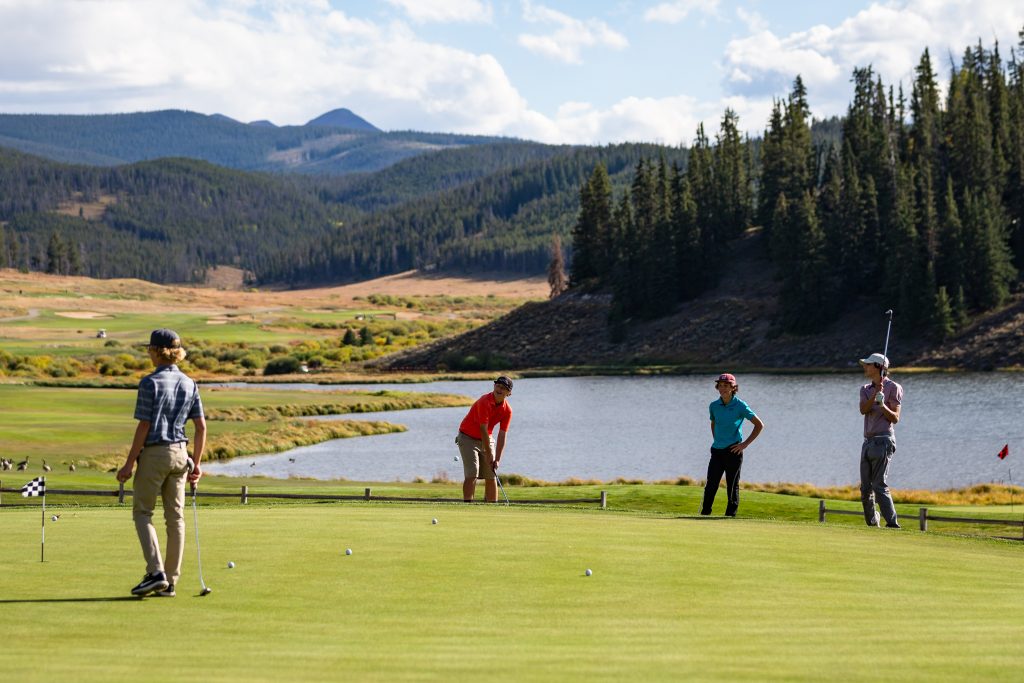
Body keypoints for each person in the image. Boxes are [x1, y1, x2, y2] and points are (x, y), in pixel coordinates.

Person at [117, 329, 206, 597]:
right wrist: (197, 464)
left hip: (156, 453)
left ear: (157, 351)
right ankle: (171, 581)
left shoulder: (149, 382)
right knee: (175, 518)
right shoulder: (190, 383)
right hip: (182, 456)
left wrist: (129, 463)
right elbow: (201, 427)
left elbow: (144, 426)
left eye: (150, 349)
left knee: (142, 513)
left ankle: (156, 573)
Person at [701, 373, 764, 517]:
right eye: (721, 386)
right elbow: (713, 423)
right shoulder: (714, 406)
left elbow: (759, 425)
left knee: (732, 485)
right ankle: (705, 513)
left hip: (733, 450)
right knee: (711, 484)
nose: (723, 388)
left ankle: (730, 515)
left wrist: (744, 444)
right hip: (717, 450)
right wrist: (717, 440)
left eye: (726, 386)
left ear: (733, 387)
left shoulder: (740, 405)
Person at [858, 352, 903, 528]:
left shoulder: (894, 387)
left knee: (879, 485)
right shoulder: (865, 389)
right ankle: (872, 523)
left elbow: (895, 418)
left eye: (868, 364)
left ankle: (892, 523)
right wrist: (875, 395)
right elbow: (863, 410)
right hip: (867, 442)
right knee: (865, 489)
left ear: (879, 367)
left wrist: (882, 404)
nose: (865, 367)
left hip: (883, 440)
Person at [456, 376, 513, 502]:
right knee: (472, 473)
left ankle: (493, 506)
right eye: (498, 386)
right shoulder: (484, 401)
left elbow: (502, 435)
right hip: (467, 437)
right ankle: (467, 505)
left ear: (509, 393)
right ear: (494, 386)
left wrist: (497, 459)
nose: (499, 389)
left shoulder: (507, 411)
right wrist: (488, 452)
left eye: (503, 388)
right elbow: (483, 429)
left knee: (491, 474)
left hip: (487, 437)